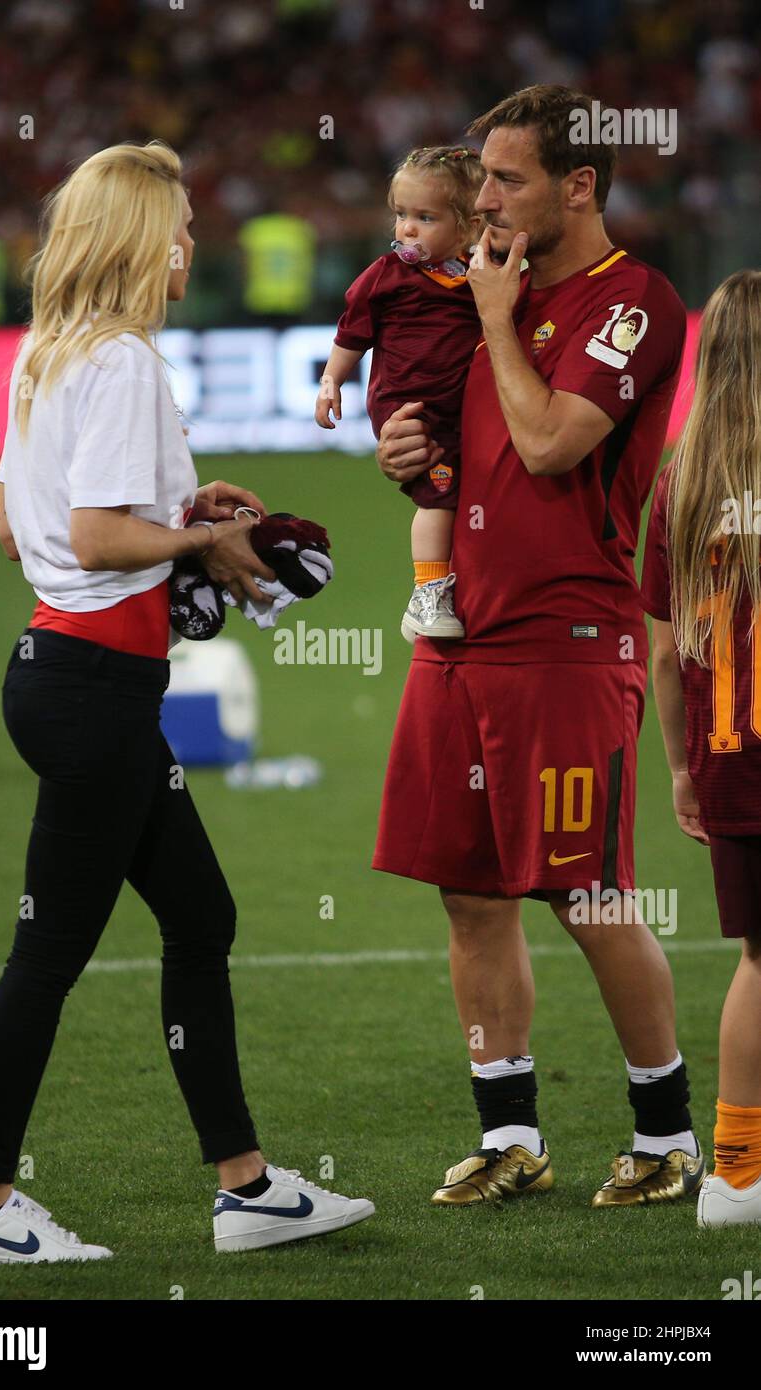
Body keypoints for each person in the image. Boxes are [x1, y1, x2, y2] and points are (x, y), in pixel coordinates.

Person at [0, 141, 374, 1263]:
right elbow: (93, 535)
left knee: (200, 917)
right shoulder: (124, 360)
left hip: (70, 678)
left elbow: (18, 531)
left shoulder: (47, 352)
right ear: (140, 239)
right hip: (93, 691)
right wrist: (203, 538)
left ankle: (244, 1188)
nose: (191, 243)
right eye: (178, 224)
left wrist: (183, 509)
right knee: (46, 958)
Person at [372, 85, 703, 1208]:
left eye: (506, 181)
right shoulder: (475, 300)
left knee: (586, 894)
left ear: (578, 185)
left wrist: (499, 321)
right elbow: (465, 465)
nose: (483, 202)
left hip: (564, 641)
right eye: (479, 182)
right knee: (467, 892)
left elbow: (554, 443)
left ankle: (663, 1135)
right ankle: (509, 1132)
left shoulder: (636, 304)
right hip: (457, 638)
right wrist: (406, 456)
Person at [641, 269, 761, 1227]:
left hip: (731, 758)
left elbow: (666, 651)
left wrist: (682, 768)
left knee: (758, 962)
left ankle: (738, 1172)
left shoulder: (679, 486)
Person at [316, 145, 483, 642]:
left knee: (467, 487)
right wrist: (331, 381)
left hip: (461, 406)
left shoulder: (478, 277)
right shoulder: (387, 276)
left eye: (425, 217)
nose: (406, 228)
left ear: (468, 227)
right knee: (439, 496)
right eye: (401, 215)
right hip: (408, 408)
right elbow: (351, 333)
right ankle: (426, 594)